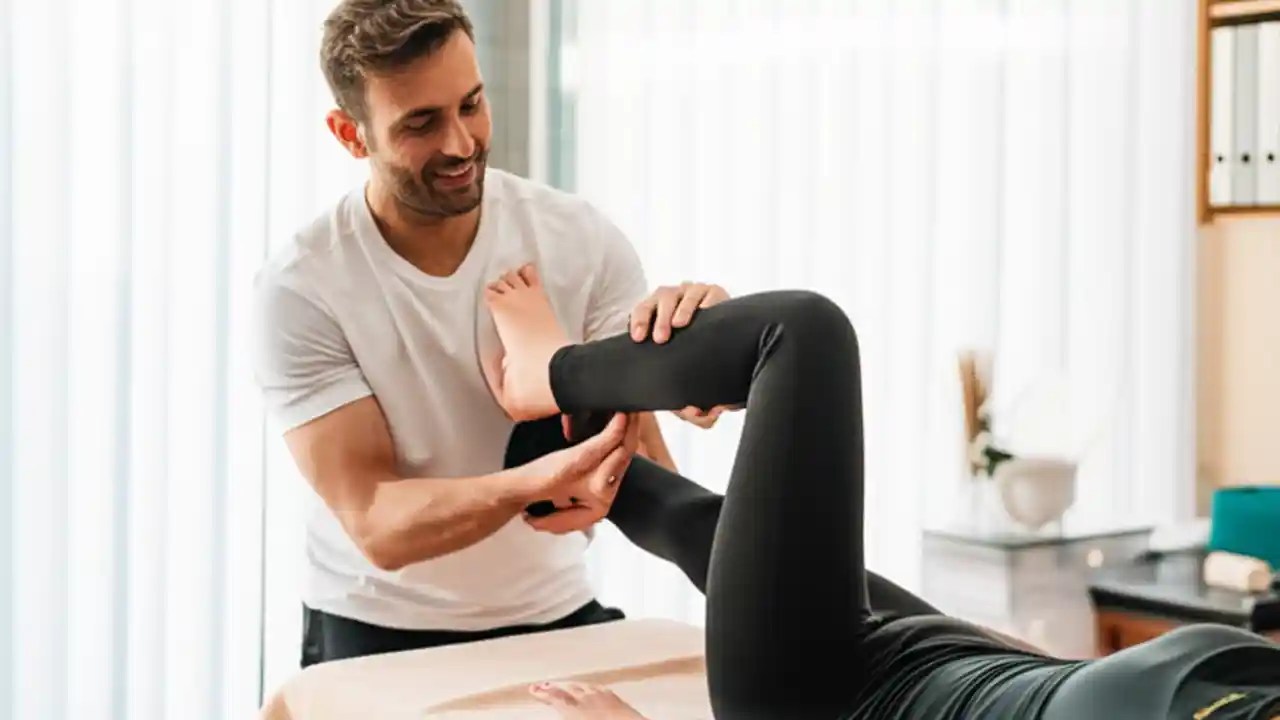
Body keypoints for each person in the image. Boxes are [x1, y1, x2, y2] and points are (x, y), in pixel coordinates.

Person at [475, 264, 1280, 720]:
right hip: (968, 667)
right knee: (756, 549)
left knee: (800, 333)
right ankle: (577, 467)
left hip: (828, 706)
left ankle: (550, 376)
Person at [251, 0, 729, 667]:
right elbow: (378, 523)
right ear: (350, 134)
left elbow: (646, 439)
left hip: (555, 612)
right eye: (421, 123)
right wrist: (535, 482)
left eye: (471, 105)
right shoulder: (304, 286)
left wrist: (714, 350)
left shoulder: (578, 240)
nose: (460, 144)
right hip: (376, 629)